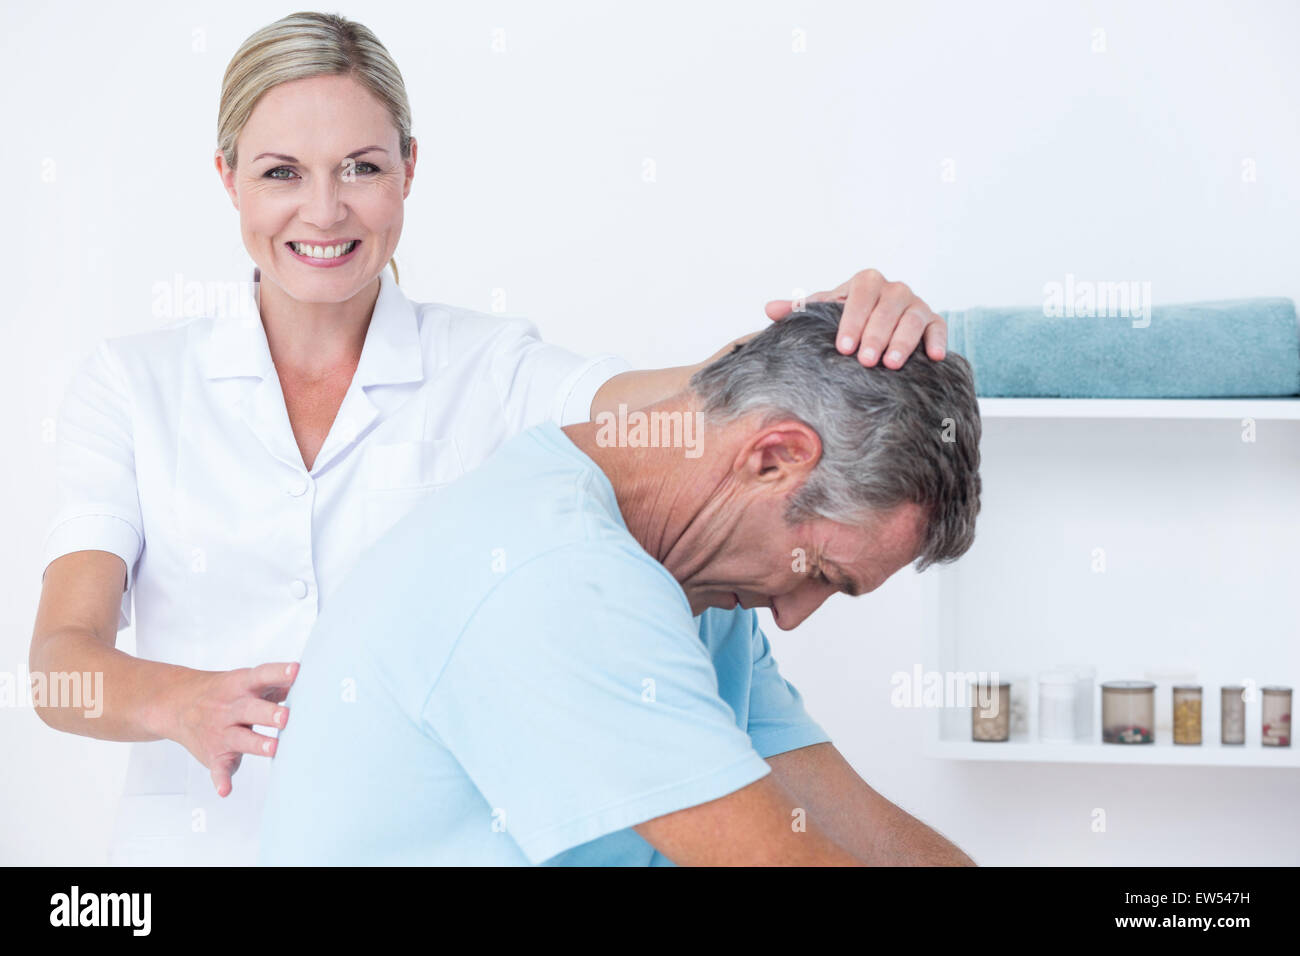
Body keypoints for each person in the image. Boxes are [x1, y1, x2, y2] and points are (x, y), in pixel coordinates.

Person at [28, 11, 950, 867]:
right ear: (227, 178)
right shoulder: (132, 384)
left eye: (362, 167)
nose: (324, 211)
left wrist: (838, 338)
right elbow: (58, 665)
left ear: (410, 170)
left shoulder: (494, 369)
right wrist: (178, 700)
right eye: (281, 173)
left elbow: (697, 411)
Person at [259, 302, 981, 866]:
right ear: (773, 458)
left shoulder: (698, 588)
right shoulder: (557, 570)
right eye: (819, 573)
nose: (792, 618)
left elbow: (845, 820)